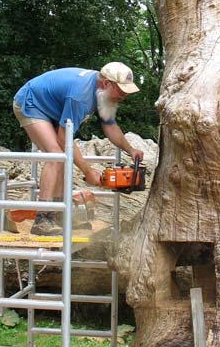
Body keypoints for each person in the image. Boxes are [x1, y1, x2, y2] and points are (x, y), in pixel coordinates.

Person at [13, 62, 144, 236]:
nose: (123, 97)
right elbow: (64, 138)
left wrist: (131, 150)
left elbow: (110, 126)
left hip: (50, 108)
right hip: (31, 102)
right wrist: (88, 172)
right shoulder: (80, 97)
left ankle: (58, 215)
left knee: (63, 158)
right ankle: (42, 219)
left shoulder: (102, 93)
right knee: (56, 156)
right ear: (106, 83)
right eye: (121, 91)